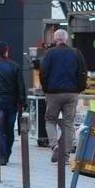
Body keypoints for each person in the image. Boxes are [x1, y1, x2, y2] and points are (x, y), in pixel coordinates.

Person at [39, 29, 89, 163]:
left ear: (55, 39)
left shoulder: (49, 53)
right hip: (72, 93)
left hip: (53, 93)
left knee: (50, 120)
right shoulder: (76, 53)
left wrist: (46, 89)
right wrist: (79, 88)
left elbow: (43, 73)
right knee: (68, 124)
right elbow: (83, 72)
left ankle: (55, 145)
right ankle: (66, 157)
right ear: (66, 39)